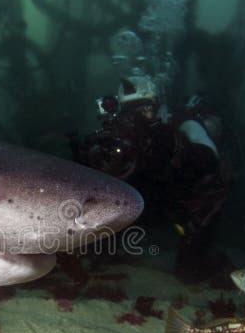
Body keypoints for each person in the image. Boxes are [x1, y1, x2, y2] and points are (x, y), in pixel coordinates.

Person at [69, 75, 234, 283]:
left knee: (191, 272)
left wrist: (175, 146)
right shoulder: (119, 135)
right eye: (130, 112)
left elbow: (210, 160)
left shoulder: (181, 123)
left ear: (158, 107)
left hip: (184, 197)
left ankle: (215, 263)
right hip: (146, 198)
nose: (138, 117)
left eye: (145, 109)